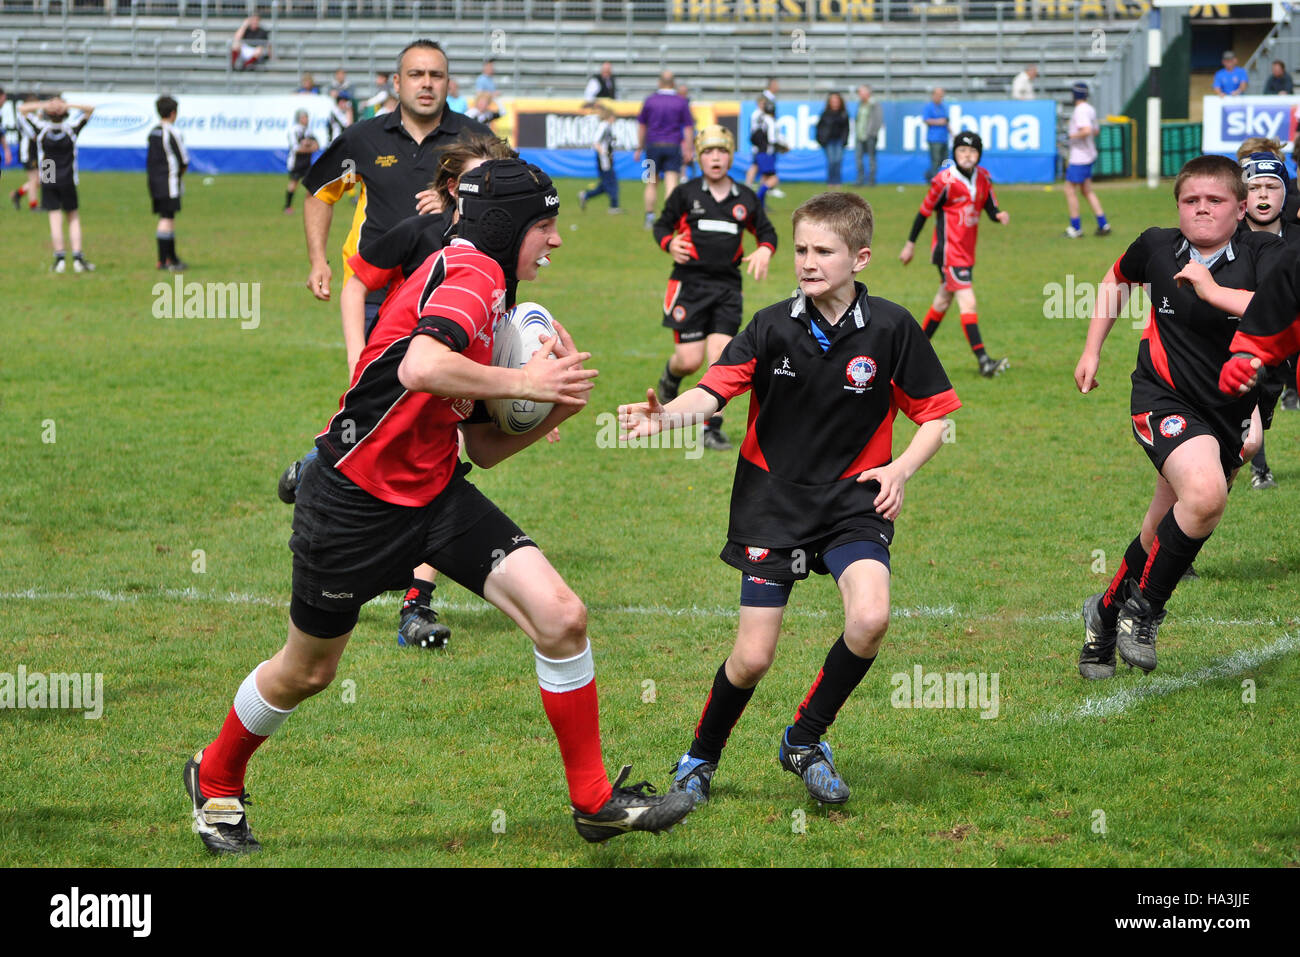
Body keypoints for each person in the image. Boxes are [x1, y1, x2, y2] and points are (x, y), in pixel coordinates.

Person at [182, 158, 696, 855]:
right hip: (353, 502)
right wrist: (523, 377)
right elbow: (420, 367)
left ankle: (595, 801)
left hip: (433, 491)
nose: (557, 240)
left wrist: (552, 408)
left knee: (562, 616)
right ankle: (215, 780)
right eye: (546, 225)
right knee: (308, 670)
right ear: (511, 226)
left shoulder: (492, 287)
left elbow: (481, 449)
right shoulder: (474, 274)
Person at [619, 191, 960, 807]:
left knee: (871, 618)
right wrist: (667, 415)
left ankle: (804, 738)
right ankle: (700, 757)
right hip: (771, 505)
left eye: (822, 251)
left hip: (854, 501)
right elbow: (714, 388)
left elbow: (935, 415)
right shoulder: (772, 324)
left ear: (860, 257)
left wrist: (901, 469)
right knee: (751, 658)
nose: (806, 261)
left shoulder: (890, 326)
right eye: (800, 248)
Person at [291, 40, 493, 651]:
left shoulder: (474, 140)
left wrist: (462, 196)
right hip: (382, 297)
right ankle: (323, 467)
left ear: (447, 82)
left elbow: (513, 199)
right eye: (415, 75)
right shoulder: (362, 140)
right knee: (379, 430)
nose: (426, 84)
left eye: (436, 75)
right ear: (396, 82)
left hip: (451, 301)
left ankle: (416, 600)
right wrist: (320, 260)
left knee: (445, 437)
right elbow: (320, 192)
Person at [1073, 154, 1283, 680]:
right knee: (1207, 495)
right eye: (1191, 201)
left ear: (1240, 209)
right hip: (1162, 399)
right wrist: (1092, 349)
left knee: (1159, 532)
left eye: (1215, 201)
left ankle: (1103, 613)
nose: (1202, 210)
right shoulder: (1157, 246)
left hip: (1227, 412)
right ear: (1178, 207)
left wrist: (1212, 292)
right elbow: (1115, 280)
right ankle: (1143, 613)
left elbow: (1278, 308)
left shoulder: (1265, 251)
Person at [651, 124, 776, 452]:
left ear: (731, 156)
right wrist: (669, 242)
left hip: (727, 289)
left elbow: (767, 232)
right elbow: (662, 224)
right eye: (708, 151)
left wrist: (764, 249)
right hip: (689, 286)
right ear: (699, 157)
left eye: (722, 151)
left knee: (720, 359)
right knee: (689, 360)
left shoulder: (745, 198)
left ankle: (711, 426)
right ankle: (671, 377)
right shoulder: (685, 193)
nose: (715, 157)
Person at [899, 130, 1011, 379]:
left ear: (979, 155)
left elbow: (989, 206)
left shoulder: (983, 177)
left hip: (966, 251)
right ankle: (984, 361)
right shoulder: (944, 181)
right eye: (962, 151)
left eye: (972, 151)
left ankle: (910, 355)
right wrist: (910, 244)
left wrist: (998, 215)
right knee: (967, 301)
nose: (967, 155)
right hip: (948, 252)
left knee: (942, 302)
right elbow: (923, 213)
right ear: (955, 153)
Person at [1233, 151, 1300, 489]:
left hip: (1293, 340)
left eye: (1271, 187)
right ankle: (1259, 470)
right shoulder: (1230, 240)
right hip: (1251, 343)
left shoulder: (1297, 238)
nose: (1262, 194)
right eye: (1254, 186)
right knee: (1251, 421)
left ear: (1285, 192)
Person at [18, 96, 96, 273]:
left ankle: (60, 259)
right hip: (67, 176)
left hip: (48, 173)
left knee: (54, 218)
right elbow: (90, 109)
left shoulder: (42, 129)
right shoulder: (71, 129)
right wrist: (66, 105)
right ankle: (77, 258)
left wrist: (47, 105)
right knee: (72, 217)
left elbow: (22, 109)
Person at [635, 70, 695, 229]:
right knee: (671, 183)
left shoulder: (650, 101)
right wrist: (689, 149)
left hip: (653, 146)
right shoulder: (680, 102)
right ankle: (670, 217)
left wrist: (639, 147)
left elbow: (642, 126)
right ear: (673, 83)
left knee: (651, 183)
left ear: (659, 83)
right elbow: (688, 127)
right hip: (672, 146)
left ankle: (649, 216)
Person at [1063, 82, 1111, 238]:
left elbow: (1087, 130)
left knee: (1070, 190)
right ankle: (1103, 224)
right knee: (1086, 190)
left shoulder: (1079, 111)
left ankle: (1075, 228)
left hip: (1080, 156)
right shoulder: (1090, 109)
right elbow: (1096, 130)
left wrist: (1070, 136)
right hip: (1089, 154)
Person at [147, 95, 189, 271]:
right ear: (173, 113)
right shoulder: (172, 132)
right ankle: (164, 260)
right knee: (167, 218)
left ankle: (172, 257)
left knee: (166, 217)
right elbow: (183, 160)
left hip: (154, 180)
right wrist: (179, 177)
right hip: (169, 181)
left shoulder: (153, 131)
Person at [577, 102, 622, 214]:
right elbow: (596, 142)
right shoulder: (604, 126)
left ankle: (586, 195)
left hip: (607, 159)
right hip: (604, 160)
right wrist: (604, 153)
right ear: (610, 116)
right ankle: (613, 206)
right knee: (612, 182)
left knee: (605, 184)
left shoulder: (607, 126)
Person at [746, 90, 783, 206]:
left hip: (762, 149)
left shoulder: (762, 117)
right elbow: (771, 138)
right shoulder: (762, 117)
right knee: (771, 178)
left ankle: (761, 202)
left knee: (764, 175)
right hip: (764, 150)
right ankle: (756, 197)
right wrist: (782, 147)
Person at [10, 93, 41, 211]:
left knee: (39, 180)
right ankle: (33, 206)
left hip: (35, 151)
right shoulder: (23, 118)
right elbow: (33, 135)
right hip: (28, 152)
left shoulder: (32, 117)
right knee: (34, 180)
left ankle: (17, 194)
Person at [283, 109, 318, 213]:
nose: (306, 119)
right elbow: (296, 148)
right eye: (304, 117)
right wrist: (308, 148)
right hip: (296, 162)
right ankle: (287, 206)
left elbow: (316, 145)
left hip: (307, 161)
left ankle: (311, 206)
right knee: (294, 183)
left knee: (311, 183)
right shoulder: (294, 130)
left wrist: (308, 146)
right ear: (299, 118)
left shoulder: (308, 130)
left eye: (307, 117)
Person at [815, 91, 850, 187]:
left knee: (838, 161)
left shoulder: (843, 114)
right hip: (829, 141)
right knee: (831, 161)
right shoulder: (825, 114)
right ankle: (830, 181)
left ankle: (837, 181)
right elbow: (819, 127)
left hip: (839, 141)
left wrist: (845, 140)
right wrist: (821, 140)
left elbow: (846, 128)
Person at [853, 84, 882, 187]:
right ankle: (860, 180)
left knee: (871, 159)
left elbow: (878, 120)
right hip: (859, 135)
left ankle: (871, 180)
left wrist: (871, 133)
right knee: (859, 159)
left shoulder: (874, 104)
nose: (859, 95)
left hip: (870, 136)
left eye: (861, 92)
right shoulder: (860, 104)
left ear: (868, 93)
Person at [921, 87, 949, 181]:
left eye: (942, 96)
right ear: (933, 95)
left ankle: (929, 175)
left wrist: (953, 133)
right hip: (934, 138)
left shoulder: (943, 107)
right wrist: (938, 122)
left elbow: (946, 121)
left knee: (943, 160)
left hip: (944, 137)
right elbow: (926, 120)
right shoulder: (929, 107)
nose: (940, 98)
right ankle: (934, 179)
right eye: (938, 95)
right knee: (935, 160)